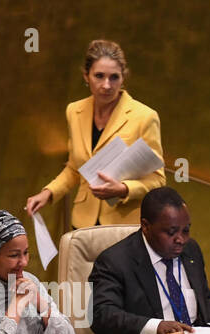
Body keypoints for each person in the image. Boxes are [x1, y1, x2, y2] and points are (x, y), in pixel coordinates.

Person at [25, 39, 164, 229]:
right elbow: (75, 168)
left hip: (124, 226)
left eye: (114, 77)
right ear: (86, 76)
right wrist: (48, 193)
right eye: (99, 76)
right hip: (83, 223)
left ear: (123, 77)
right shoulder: (74, 111)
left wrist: (123, 189)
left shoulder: (145, 117)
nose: (106, 85)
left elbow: (158, 180)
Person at [86, 187, 210, 334]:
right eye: (171, 232)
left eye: (186, 230)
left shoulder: (191, 250)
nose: (181, 239)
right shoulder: (114, 261)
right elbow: (102, 315)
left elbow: (205, 299)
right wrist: (156, 326)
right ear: (145, 226)